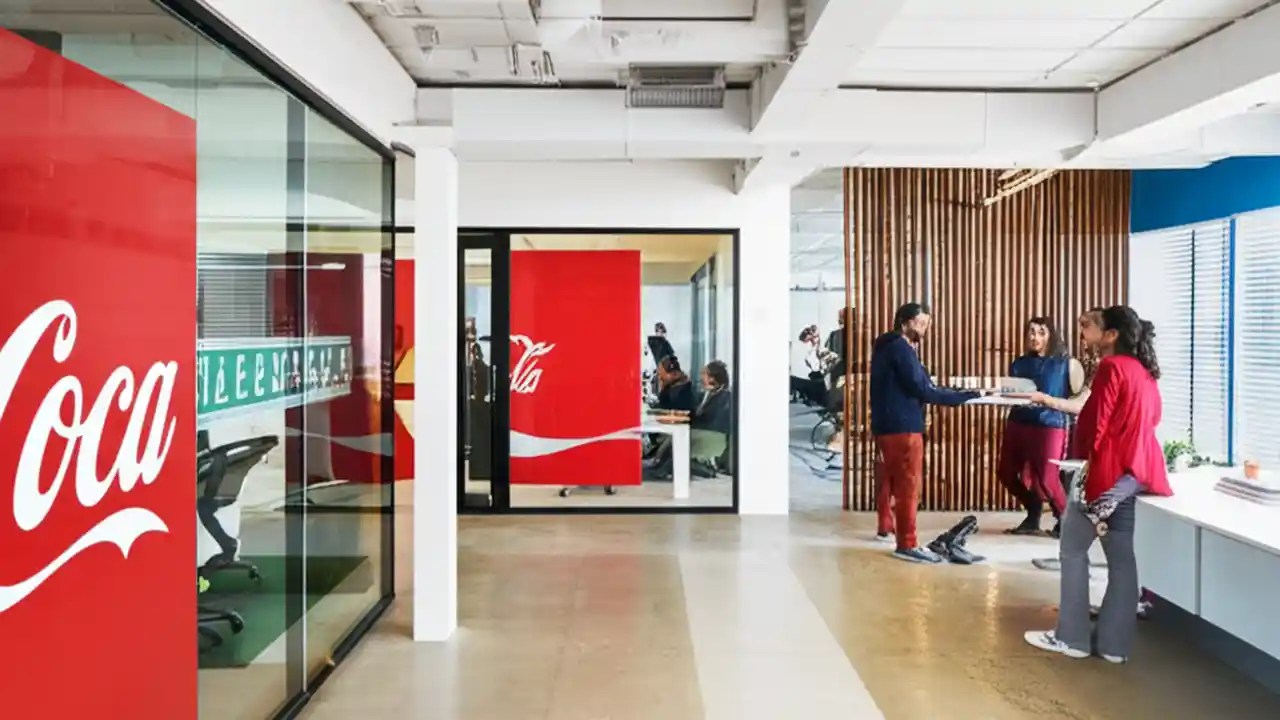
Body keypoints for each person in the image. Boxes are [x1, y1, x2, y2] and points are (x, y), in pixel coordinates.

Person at [1024, 305, 1173, 663]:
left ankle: (1071, 638)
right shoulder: (1147, 372)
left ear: (1112, 335)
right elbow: (1153, 419)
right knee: (1122, 561)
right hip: (1133, 477)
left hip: (1106, 472)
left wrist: (1084, 466)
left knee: (1073, 551)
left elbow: (1095, 424)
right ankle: (1113, 647)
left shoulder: (1111, 367)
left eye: (1093, 327)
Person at [870, 302, 983, 563]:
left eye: (926, 325)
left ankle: (894, 531)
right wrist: (963, 397)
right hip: (904, 426)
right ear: (905, 322)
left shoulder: (885, 347)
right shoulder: (900, 348)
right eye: (920, 323)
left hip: (888, 425)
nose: (923, 329)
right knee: (909, 485)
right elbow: (922, 389)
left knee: (894, 482)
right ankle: (907, 544)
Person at [999, 316, 1081, 538]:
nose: (1034, 337)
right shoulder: (1019, 363)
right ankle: (1033, 511)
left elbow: (1078, 399)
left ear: (1051, 335)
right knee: (1005, 473)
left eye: (1041, 332)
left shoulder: (1067, 364)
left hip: (1050, 424)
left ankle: (1066, 521)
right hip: (1018, 422)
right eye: (1031, 332)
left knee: (1048, 478)